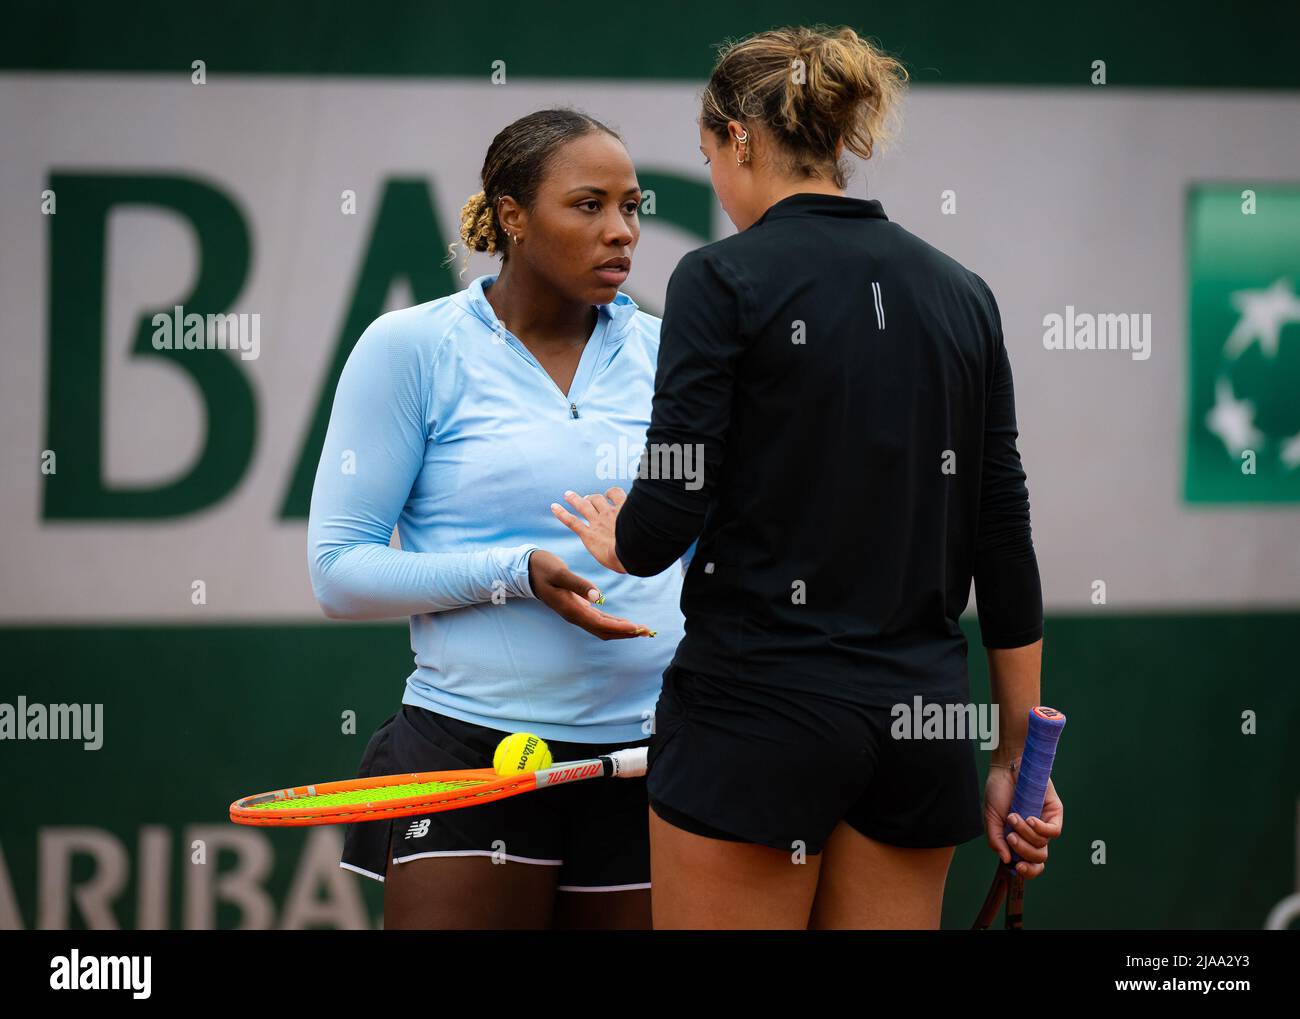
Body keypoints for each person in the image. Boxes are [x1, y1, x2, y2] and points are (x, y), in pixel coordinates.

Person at [552, 25, 1063, 929]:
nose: (714, 178)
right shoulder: (962, 293)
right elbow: (1003, 531)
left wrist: (621, 538)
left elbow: (670, 506)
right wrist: (1016, 761)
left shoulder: (718, 278)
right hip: (919, 729)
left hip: (756, 717)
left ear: (739, 141)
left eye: (710, 154)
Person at [308, 108, 685, 929]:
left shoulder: (675, 353)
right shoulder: (409, 347)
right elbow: (337, 572)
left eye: (632, 206)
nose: (621, 231)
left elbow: (723, 547)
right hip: (467, 750)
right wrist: (510, 574)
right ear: (511, 216)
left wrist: (651, 543)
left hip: (651, 757)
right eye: (589, 205)